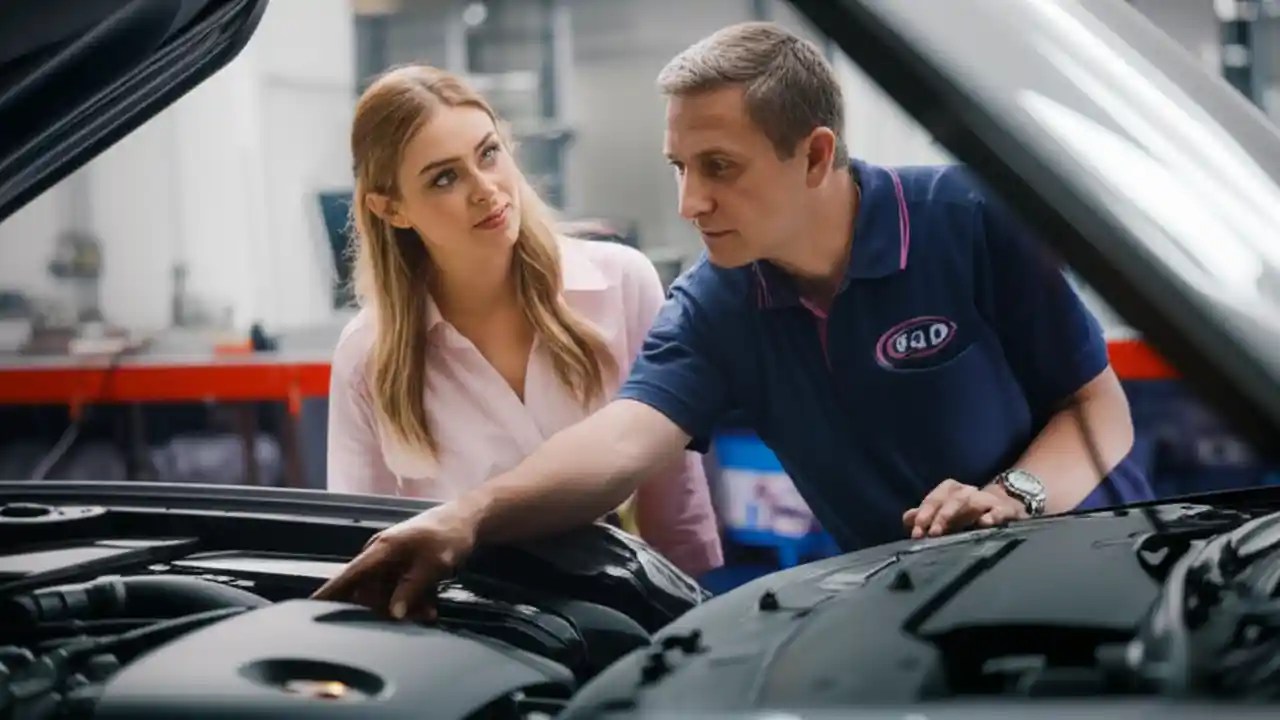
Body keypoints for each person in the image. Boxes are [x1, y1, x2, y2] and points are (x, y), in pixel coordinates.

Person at [315, 23, 1153, 621]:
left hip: (1109, 578)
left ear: (816, 155)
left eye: (719, 168)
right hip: (924, 616)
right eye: (680, 167)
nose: (690, 202)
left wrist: (1013, 497)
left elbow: (1097, 409)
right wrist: (468, 517)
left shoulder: (964, 220)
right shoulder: (721, 302)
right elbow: (620, 443)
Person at [323, 64, 723, 579]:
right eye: (445, 177)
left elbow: (674, 500)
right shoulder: (367, 355)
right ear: (392, 208)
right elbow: (361, 541)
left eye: (489, 153)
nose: (485, 189)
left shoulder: (622, 283)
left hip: (614, 607)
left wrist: (693, 625)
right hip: (464, 623)